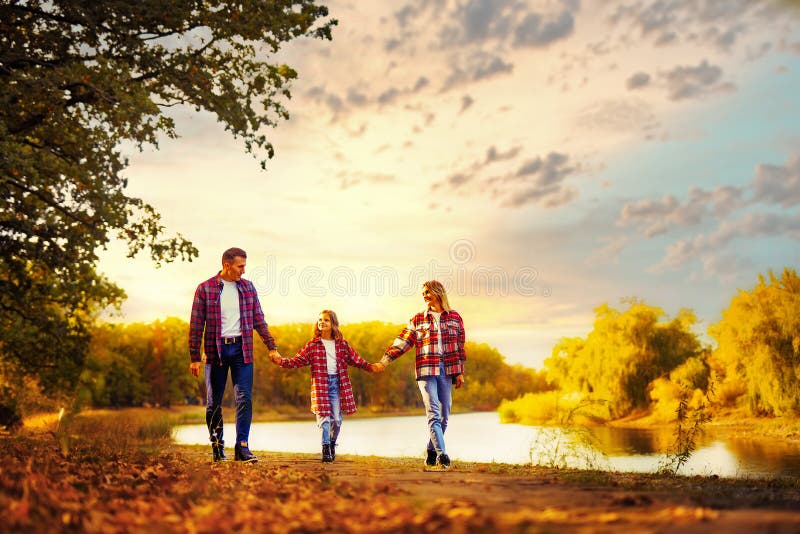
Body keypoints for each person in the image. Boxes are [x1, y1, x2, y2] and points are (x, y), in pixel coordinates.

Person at [188, 247, 282, 463]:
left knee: (244, 399)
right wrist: (194, 356)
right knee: (214, 402)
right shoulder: (205, 289)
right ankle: (217, 447)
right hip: (215, 351)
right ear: (227, 265)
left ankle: (242, 447)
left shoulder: (248, 288)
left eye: (245, 266)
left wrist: (271, 346)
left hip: (243, 350)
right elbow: (196, 325)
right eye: (240, 266)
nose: (244, 271)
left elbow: (259, 318)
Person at [375, 280, 466, 469]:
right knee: (433, 411)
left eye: (427, 292)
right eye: (423, 293)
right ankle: (443, 455)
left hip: (447, 370)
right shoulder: (418, 319)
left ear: (438, 292)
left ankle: (431, 450)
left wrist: (459, 373)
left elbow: (459, 347)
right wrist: (385, 360)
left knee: (444, 414)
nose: (424, 295)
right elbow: (403, 342)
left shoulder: (455, 317)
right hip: (426, 369)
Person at [270, 310, 381, 462]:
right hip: (320, 384)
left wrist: (371, 367)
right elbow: (297, 360)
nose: (322, 322)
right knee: (324, 419)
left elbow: (357, 360)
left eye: (326, 320)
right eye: (320, 320)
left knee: (337, 419)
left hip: (337, 384)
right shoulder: (313, 345)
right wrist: (281, 361)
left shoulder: (342, 345)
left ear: (333, 324)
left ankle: (333, 443)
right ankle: (326, 449)